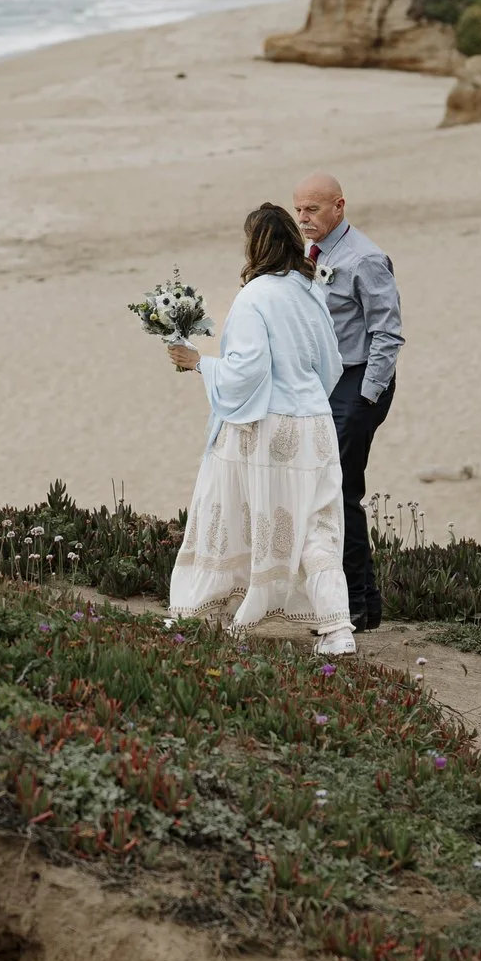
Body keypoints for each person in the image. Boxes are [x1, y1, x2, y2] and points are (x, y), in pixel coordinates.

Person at [163, 203, 357, 655]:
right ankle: (336, 629)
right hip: (316, 425)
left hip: (264, 427)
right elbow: (331, 365)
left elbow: (246, 372)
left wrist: (199, 364)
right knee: (316, 524)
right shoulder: (310, 289)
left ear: (255, 245)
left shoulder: (255, 296)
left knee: (227, 507)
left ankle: (206, 606)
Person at [292, 173, 400, 633]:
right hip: (325, 385)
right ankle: (365, 604)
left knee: (337, 492)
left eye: (312, 210)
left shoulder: (366, 258)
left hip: (357, 384)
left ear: (339, 206)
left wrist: (364, 397)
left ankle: (355, 604)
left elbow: (388, 333)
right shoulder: (307, 257)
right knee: (331, 490)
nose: (303, 218)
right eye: (298, 209)